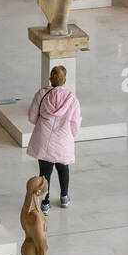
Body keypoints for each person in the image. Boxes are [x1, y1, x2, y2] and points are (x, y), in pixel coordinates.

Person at [27, 65, 81, 212]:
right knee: (63, 169)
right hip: (63, 139)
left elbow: (32, 117)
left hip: (44, 139)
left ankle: (44, 203)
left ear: (50, 79)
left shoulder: (41, 94)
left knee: (44, 173)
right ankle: (64, 197)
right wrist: (71, 135)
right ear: (65, 80)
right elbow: (75, 123)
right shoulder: (72, 99)